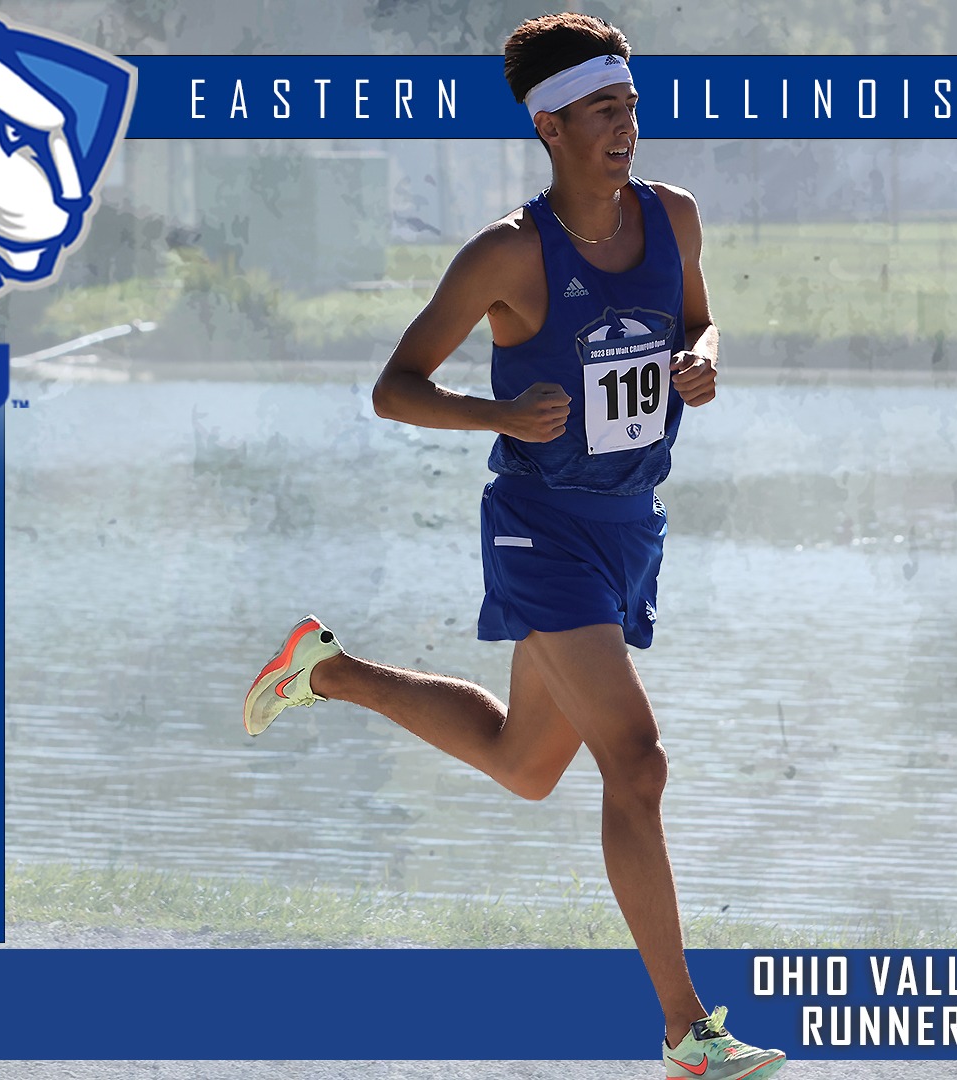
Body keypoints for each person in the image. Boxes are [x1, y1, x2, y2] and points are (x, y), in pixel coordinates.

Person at [241, 13, 784, 1080]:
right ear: (549, 123)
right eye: (603, 110)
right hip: (542, 527)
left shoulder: (675, 217)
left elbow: (699, 322)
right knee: (636, 762)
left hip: (632, 523)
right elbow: (394, 389)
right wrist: (497, 417)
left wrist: (704, 359)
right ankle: (688, 1032)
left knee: (523, 765)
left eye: (631, 104)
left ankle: (326, 668)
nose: (627, 126)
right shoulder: (505, 253)